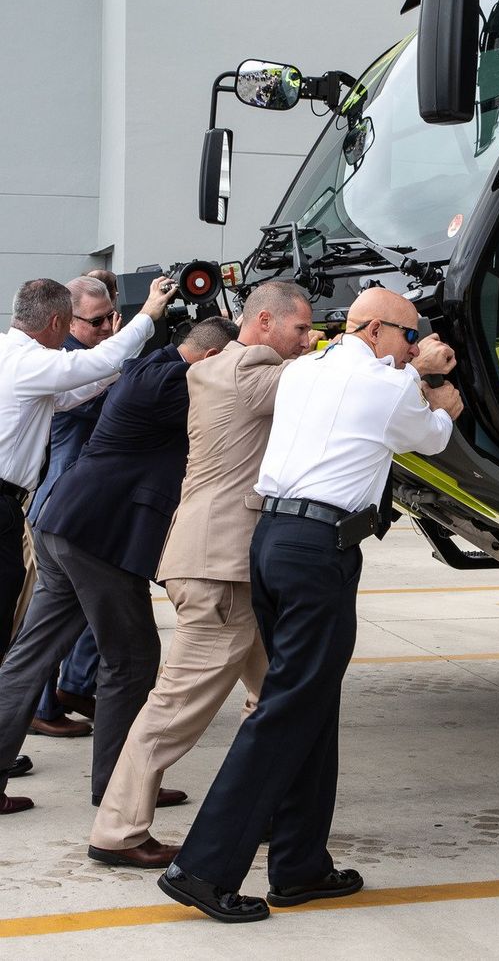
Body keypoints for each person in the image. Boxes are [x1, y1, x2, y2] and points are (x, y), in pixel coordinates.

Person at [159, 288, 463, 923]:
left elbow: (363, 391)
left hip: (271, 541)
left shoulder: (305, 369)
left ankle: (299, 866)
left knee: (312, 703)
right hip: (317, 550)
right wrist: (435, 387)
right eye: (408, 335)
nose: (413, 344)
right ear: (376, 331)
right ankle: (205, 867)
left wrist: (409, 367)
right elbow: (433, 437)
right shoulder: (388, 386)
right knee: (289, 708)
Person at [87, 282, 313, 869]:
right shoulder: (253, 374)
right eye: (299, 329)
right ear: (263, 322)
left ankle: (261, 810)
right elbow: (328, 382)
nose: (307, 339)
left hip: (219, 562)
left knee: (275, 697)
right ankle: (117, 830)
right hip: (222, 570)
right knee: (174, 709)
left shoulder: (211, 370)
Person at [0, 316, 238, 816]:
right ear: (213, 360)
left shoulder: (156, 365)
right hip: (98, 536)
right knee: (131, 660)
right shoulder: (173, 386)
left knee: (30, 657)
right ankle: (118, 791)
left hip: (64, 522)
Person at [0, 276, 175, 665]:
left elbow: (67, 395)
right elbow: (93, 364)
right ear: (58, 324)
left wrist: (119, 369)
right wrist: (147, 315)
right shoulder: (30, 362)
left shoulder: (11, 354)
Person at [28, 276, 120, 740]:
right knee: (53, 620)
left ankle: (72, 689)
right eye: (97, 320)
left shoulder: (84, 359)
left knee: (84, 612)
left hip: (80, 507)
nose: (107, 328)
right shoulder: (61, 364)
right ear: (66, 320)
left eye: (112, 317)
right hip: (62, 507)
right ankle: (44, 706)